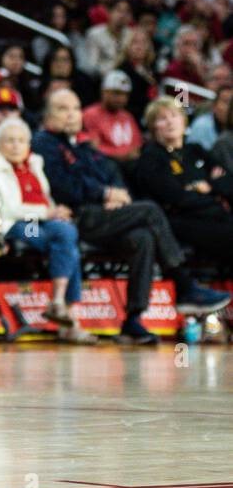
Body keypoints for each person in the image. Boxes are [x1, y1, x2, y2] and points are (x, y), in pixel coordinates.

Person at [34, 89, 228, 344]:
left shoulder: (83, 146)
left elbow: (111, 171)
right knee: (149, 210)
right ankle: (184, 285)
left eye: (75, 108)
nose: (71, 114)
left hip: (106, 215)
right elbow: (60, 186)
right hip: (74, 217)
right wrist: (105, 193)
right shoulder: (44, 144)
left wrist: (119, 194)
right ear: (48, 116)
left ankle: (133, 320)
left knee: (142, 237)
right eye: (62, 109)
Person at [0, 117, 96, 344]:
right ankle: (67, 315)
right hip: (16, 224)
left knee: (67, 235)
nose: (16, 145)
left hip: (41, 219)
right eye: (9, 140)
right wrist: (47, 213)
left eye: (21, 140)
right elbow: (3, 207)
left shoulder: (35, 163)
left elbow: (45, 198)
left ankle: (61, 306)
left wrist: (55, 211)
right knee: (66, 241)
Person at [135, 96, 233, 264]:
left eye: (174, 115)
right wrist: (215, 194)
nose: (170, 122)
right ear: (152, 126)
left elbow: (229, 182)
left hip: (213, 215)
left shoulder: (195, 150)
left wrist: (207, 186)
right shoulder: (151, 156)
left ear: (184, 120)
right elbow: (176, 197)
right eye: (162, 118)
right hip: (179, 221)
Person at [82, 70, 143, 165]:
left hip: (131, 165)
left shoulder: (127, 116)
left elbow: (137, 147)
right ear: (104, 92)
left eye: (125, 94)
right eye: (117, 93)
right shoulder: (90, 114)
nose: (121, 98)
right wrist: (123, 155)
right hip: (104, 164)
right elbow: (94, 148)